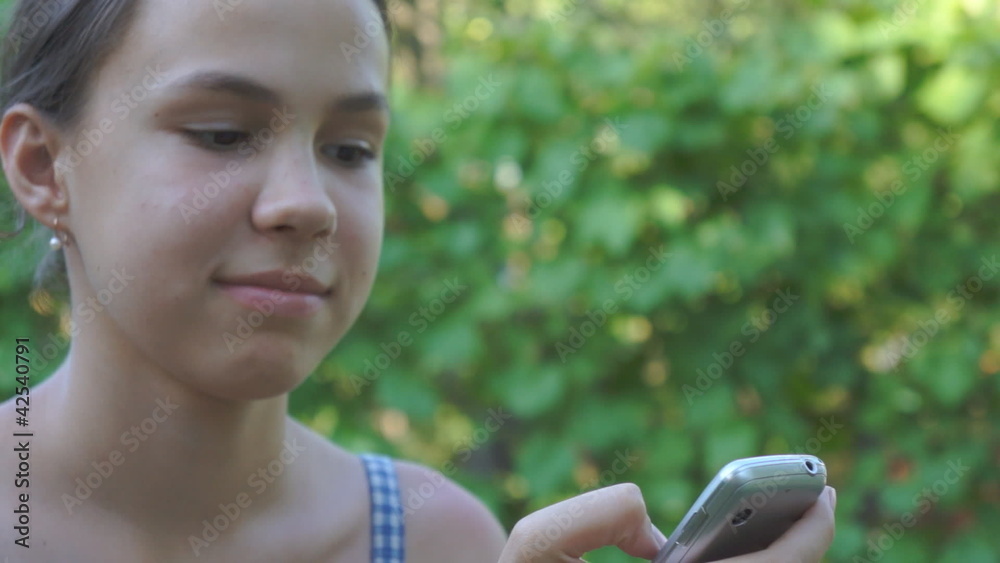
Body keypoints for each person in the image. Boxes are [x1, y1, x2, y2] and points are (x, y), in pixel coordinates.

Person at [0, 0, 835, 561]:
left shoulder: (435, 539)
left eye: (351, 148)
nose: (309, 204)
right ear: (43, 166)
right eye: (222, 133)